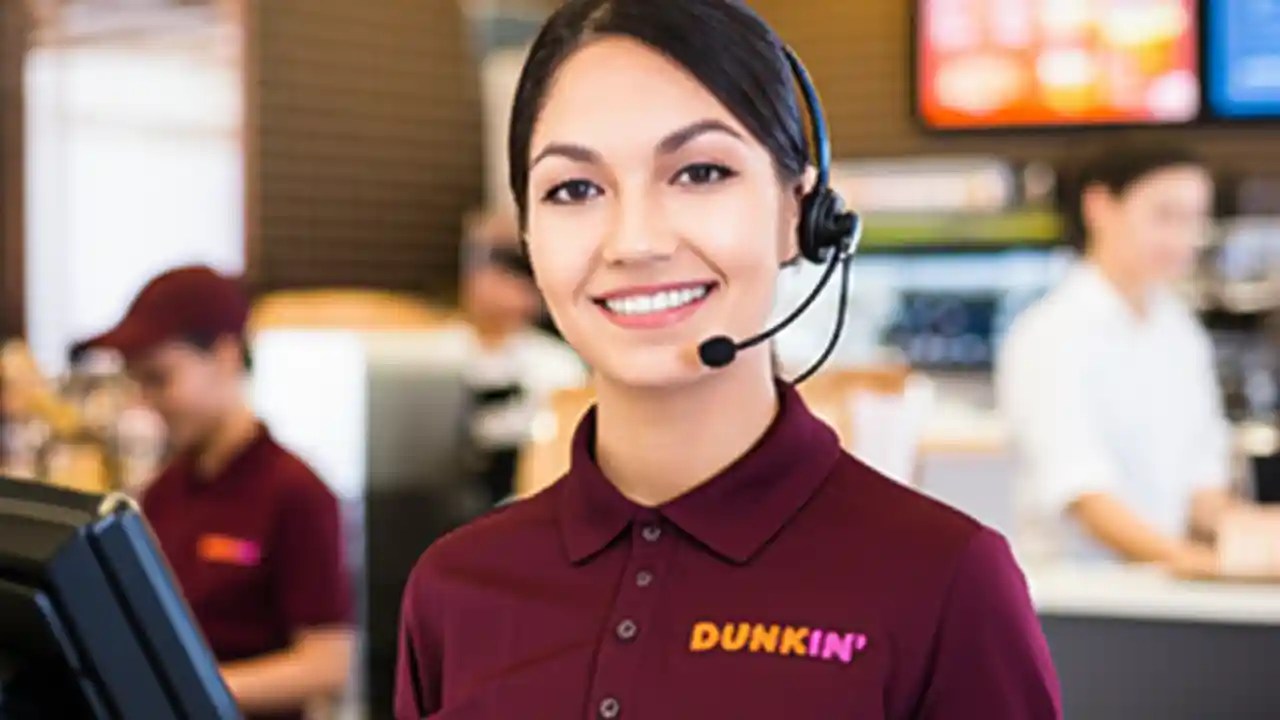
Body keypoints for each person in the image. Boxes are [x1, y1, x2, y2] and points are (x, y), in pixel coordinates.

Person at [394, 2, 1060, 718]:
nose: (634, 242)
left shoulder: (943, 579)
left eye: (700, 172)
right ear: (529, 235)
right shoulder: (455, 587)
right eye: (575, 189)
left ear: (799, 215)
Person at [73, 266, 355, 720]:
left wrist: (188, 689)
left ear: (224, 357)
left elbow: (327, 664)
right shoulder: (163, 492)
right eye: (138, 383)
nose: (145, 403)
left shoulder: (296, 492)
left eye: (159, 379)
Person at [997, 142, 1242, 574]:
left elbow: (1202, 482)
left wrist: (1245, 538)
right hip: (1086, 598)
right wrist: (1190, 561)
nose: (1183, 238)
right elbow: (1083, 495)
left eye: (1196, 220)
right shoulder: (1051, 333)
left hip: (1168, 586)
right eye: (1165, 216)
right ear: (1100, 207)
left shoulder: (1179, 331)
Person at [445, 208, 587, 503]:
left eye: (510, 269)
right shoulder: (433, 353)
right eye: (479, 263)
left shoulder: (558, 366)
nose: (488, 280)